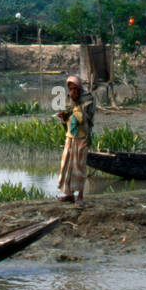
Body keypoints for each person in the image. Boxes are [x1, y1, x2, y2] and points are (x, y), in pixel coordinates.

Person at [56, 75, 95, 206]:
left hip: (82, 137)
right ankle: (69, 194)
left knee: (79, 167)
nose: (73, 91)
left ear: (79, 88)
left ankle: (80, 196)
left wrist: (77, 103)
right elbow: (67, 118)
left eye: (75, 88)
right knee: (67, 166)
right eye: (70, 88)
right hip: (70, 137)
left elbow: (84, 119)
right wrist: (63, 116)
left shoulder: (88, 99)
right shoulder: (69, 99)